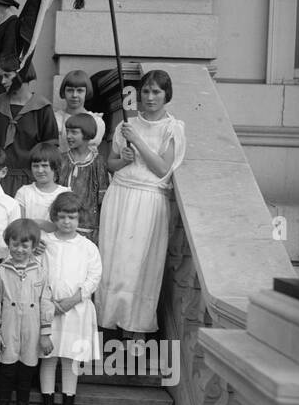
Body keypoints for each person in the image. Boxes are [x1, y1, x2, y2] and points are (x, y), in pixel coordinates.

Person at [97, 69, 187, 338]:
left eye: (156, 91)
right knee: (114, 261)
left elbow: (162, 169)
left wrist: (137, 141)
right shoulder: (126, 125)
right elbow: (111, 164)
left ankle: (136, 331)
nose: (150, 97)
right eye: (146, 91)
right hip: (121, 194)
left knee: (139, 264)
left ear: (166, 95)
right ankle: (113, 324)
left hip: (148, 200)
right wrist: (123, 159)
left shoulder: (173, 128)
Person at [39, 192, 102, 405]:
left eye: (72, 217)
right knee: (49, 357)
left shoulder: (87, 246)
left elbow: (93, 277)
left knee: (70, 359)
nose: (67, 222)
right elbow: (38, 271)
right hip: (49, 308)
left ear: (79, 219)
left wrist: (73, 300)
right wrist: (49, 301)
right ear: (55, 217)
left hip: (76, 309)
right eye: (63, 216)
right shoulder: (45, 243)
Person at [0, 217, 52, 405]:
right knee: (6, 373)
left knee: (25, 375)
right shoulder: (2, 271)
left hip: (31, 328)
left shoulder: (40, 271)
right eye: (15, 244)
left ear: (34, 246)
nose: (20, 249)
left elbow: (45, 301)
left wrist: (45, 333)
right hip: (9, 326)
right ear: (8, 244)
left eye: (25, 245)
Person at [0, 55, 58, 196]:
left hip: (31, 180)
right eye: (1, 76)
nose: (2, 81)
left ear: (22, 74)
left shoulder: (42, 108)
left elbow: (50, 146)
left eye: (7, 76)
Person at [63, 113, 110, 244]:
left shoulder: (98, 162)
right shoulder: (61, 159)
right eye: (67, 132)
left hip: (87, 225)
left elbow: (102, 198)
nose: (68, 136)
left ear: (87, 134)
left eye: (74, 132)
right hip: (61, 222)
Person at [15, 142, 70, 251]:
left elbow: (66, 227)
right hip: (28, 248)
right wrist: (31, 241)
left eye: (45, 166)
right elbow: (18, 225)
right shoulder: (24, 192)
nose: (40, 170)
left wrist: (39, 223)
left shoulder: (64, 193)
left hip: (58, 248)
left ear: (55, 167)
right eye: (35, 166)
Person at [56, 69, 106, 147]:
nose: (74, 95)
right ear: (63, 92)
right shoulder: (54, 119)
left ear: (86, 93)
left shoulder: (96, 121)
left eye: (80, 91)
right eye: (70, 90)